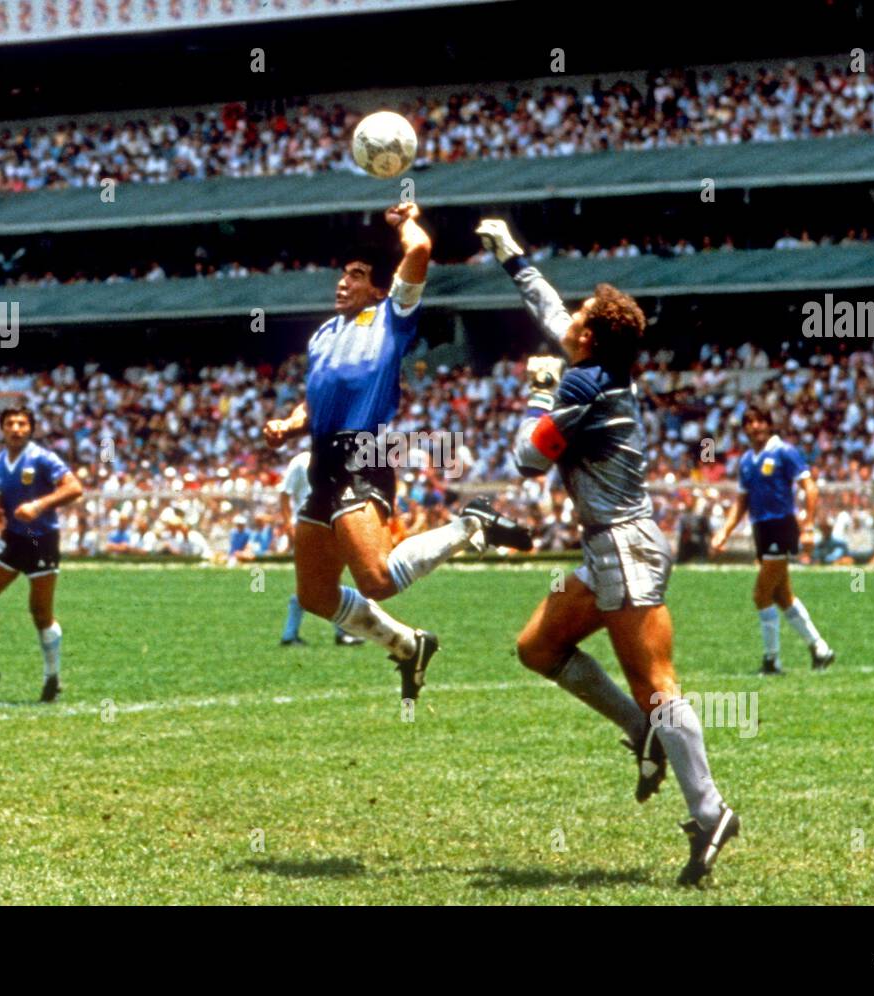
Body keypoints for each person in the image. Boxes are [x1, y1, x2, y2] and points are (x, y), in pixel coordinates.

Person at [477, 217, 738, 886]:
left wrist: (537, 392)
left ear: (589, 338)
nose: (570, 317)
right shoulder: (597, 371)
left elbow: (527, 460)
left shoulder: (582, 387)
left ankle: (711, 812)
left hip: (623, 548)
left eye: (582, 314)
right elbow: (553, 315)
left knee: (656, 683)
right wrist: (513, 258)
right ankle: (643, 733)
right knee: (538, 646)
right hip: (611, 549)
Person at [264, 203, 532, 703]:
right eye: (343, 273)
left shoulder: (392, 315)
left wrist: (404, 220)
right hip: (323, 461)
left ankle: (470, 525)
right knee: (314, 595)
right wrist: (290, 423)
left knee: (378, 579)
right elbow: (315, 398)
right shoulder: (323, 335)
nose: (343, 282)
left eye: (357, 275)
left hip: (363, 452)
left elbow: (420, 248)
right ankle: (409, 645)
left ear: (378, 288)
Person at [0, 407, 83, 704]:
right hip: (14, 538)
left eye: (22, 423)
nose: (16, 428)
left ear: (30, 429)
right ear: (2, 429)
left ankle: (52, 676)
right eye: (10, 423)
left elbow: (75, 488)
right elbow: (3, 499)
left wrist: (39, 505)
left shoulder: (43, 458)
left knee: (40, 613)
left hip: (41, 540)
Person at [710, 406, 835, 674]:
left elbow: (810, 488)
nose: (755, 426)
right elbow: (741, 501)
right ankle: (820, 649)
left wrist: (808, 527)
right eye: (749, 422)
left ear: (769, 424)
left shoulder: (784, 452)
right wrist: (724, 532)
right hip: (760, 529)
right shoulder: (746, 461)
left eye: (760, 421)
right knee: (782, 595)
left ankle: (772, 660)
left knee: (761, 594)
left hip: (781, 526)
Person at [277, 449, 363, 647]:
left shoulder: (337, 459)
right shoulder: (300, 461)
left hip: (331, 526)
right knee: (318, 581)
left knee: (323, 581)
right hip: (307, 526)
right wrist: (288, 525)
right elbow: (285, 494)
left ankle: (292, 634)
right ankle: (339, 633)